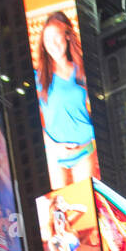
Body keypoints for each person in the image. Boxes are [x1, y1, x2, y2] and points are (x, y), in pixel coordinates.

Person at [34, 12, 99, 187]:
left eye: (57, 37)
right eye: (48, 40)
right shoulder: (38, 79)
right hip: (55, 155)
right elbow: (32, 122)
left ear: (67, 37)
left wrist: (93, 136)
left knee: (88, 204)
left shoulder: (83, 70)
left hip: (84, 150)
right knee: (59, 209)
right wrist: (52, 146)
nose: (53, 44)